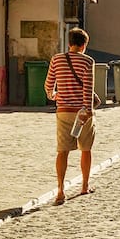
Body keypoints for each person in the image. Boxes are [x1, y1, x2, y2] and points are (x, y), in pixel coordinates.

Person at [44, 27, 99, 205]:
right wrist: (87, 110)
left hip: (63, 111)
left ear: (69, 43)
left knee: (62, 151)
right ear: (84, 45)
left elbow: (48, 85)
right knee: (86, 149)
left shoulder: (56, 60)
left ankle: (60, 190)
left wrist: (55, 96)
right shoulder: (88, 61)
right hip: (82, 112)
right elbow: (88, 88)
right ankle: (84, 185)